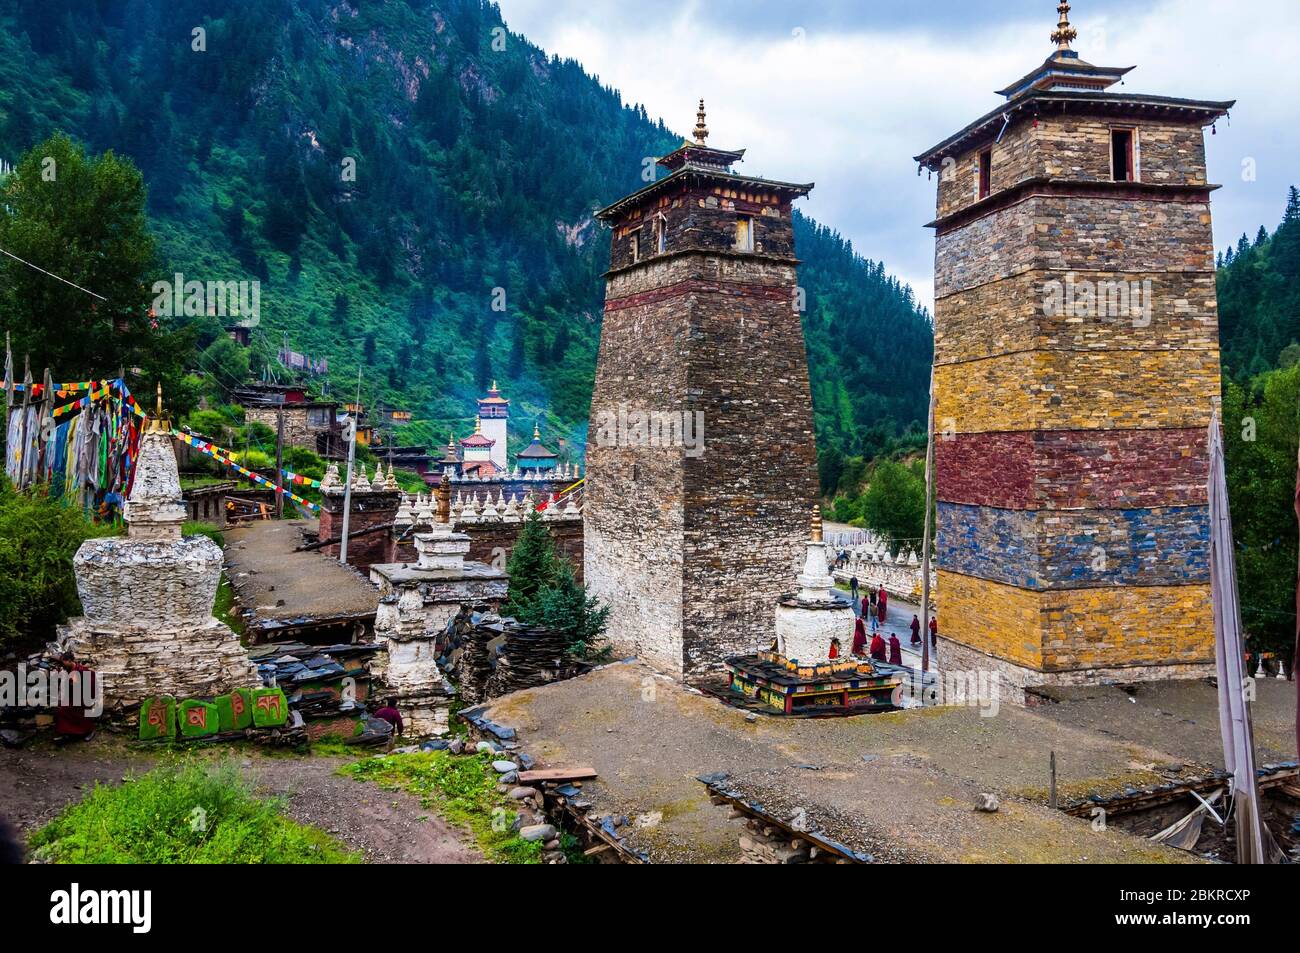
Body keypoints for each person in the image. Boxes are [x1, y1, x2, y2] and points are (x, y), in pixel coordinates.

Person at [52, 652, 96, 744]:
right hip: (72, 696)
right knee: (63, 711)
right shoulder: (68, 668)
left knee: (81, 714)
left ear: (69, 661)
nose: (62, 664)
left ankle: (90, 731)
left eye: (63, 662)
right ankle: (67, 733)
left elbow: (90, 683)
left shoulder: (81, 670)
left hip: (83, 696)